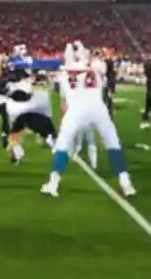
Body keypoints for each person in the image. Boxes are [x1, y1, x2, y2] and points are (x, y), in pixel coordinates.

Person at [41, 42, 135, 198]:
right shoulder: (96, 65)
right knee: (113, 143)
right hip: (97, 108)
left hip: (76, 110)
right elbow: (102, 70)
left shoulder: (64, 72)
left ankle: (53, 183)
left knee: (62, 145)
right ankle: (126, 183)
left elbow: (63, 94)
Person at [0, 75, 55, 164]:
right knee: (14, 133)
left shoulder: (15, 90)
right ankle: (17, 153)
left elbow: (3, 99)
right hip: (26, 110)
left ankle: (17, 153)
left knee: (13, 133)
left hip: (17, 110)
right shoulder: (40, 93)